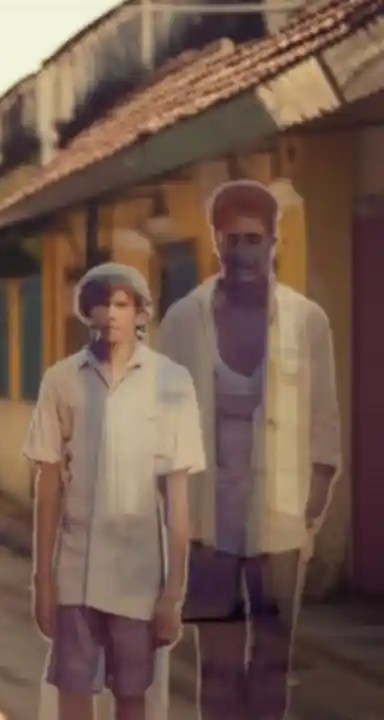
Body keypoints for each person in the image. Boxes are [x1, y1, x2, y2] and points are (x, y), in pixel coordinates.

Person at [158, 179, 340, 720]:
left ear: (275, 241)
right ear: (215, 242)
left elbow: (325, 419)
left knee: (272, 662)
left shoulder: (306, 321)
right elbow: (163, 427)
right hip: (209, 523)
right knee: (215, 666)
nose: (243, 251)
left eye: (254, 239)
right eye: (232, 239)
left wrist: (313, 503)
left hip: (281, 522)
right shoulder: (184, 321)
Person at [23, 263, 205, 720]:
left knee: (133, 695)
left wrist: (173, 594)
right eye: (100, 303)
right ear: (86, 312)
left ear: (141, 312)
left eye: (122, 304)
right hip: (76, 570)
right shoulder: (61, 381)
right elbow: (48, 489)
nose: (110, 314)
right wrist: (43, 581)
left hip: (139, 576)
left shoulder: (172, 383)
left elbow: (178, 502)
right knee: (73, 691)